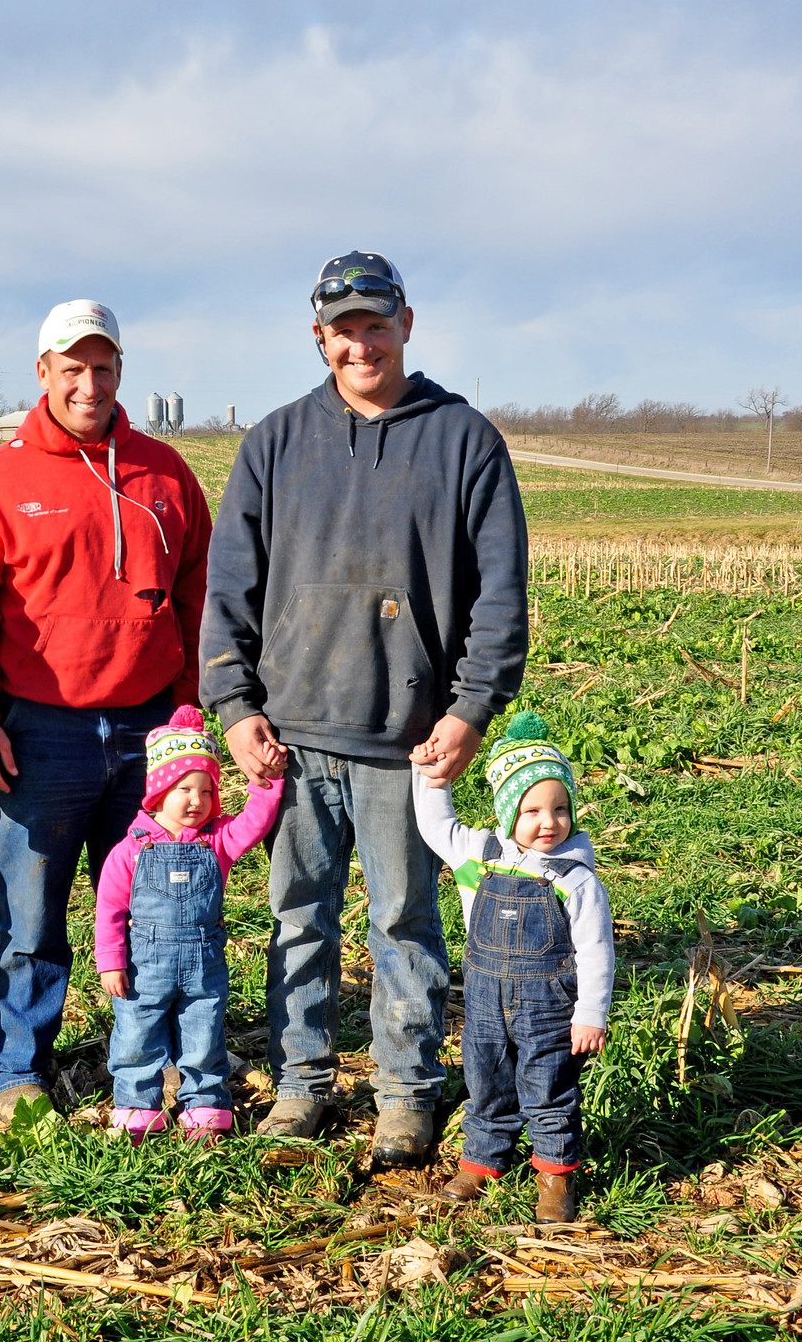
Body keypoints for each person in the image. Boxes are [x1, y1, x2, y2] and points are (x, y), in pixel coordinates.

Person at [200, 251, 529, 1168]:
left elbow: (500, 595)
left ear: (406, 325)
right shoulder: (274, 442)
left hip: (408, 742)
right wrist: (233, 704)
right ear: (319, 339)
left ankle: (405, 1095)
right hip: (292, 739)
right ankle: (301, 1086)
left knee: (403, 924)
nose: (360, 344)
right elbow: (229, 589)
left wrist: (470, 708)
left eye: (374, 325)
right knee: (297, 918)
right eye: (341, 331)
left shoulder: (464, 441)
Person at [0, 299, 213, 1123]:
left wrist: (192, 705)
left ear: (121, 370)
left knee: (159, 907)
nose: (88, 384)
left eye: (103, 367)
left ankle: (154, 1058)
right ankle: (20, 1067)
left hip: (149, 730)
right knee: (31, 910)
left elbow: (200, 597)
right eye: (72, 368)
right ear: (43, 373)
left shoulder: (164, 474)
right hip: (40, 728)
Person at [412, 711, 612, 1223]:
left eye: (561, 808)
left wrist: (590, 1012)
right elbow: (435, 824)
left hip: (549, 1008)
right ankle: (483, 1160)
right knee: (486, 1079)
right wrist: (432, 776)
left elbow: (595, 950)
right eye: (532, 811)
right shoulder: (479, 854)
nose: (549, 823)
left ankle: (555, 1176)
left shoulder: (576, 878)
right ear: (506, 812)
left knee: (548, 1085)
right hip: (483, 1001)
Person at [94, 706, 284, 1141]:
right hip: (143, 967)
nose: (197, 801)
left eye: (205, 791)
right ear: (158, 793)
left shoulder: (218, 841)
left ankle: (204, 1106)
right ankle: (136, 1107)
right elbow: (110, 909)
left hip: (204, 962)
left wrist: (267, 782)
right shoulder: (131, 849)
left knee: (203, 1034)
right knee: (136, 1036)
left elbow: (256, 821)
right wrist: (111, 961)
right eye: (184, 789)